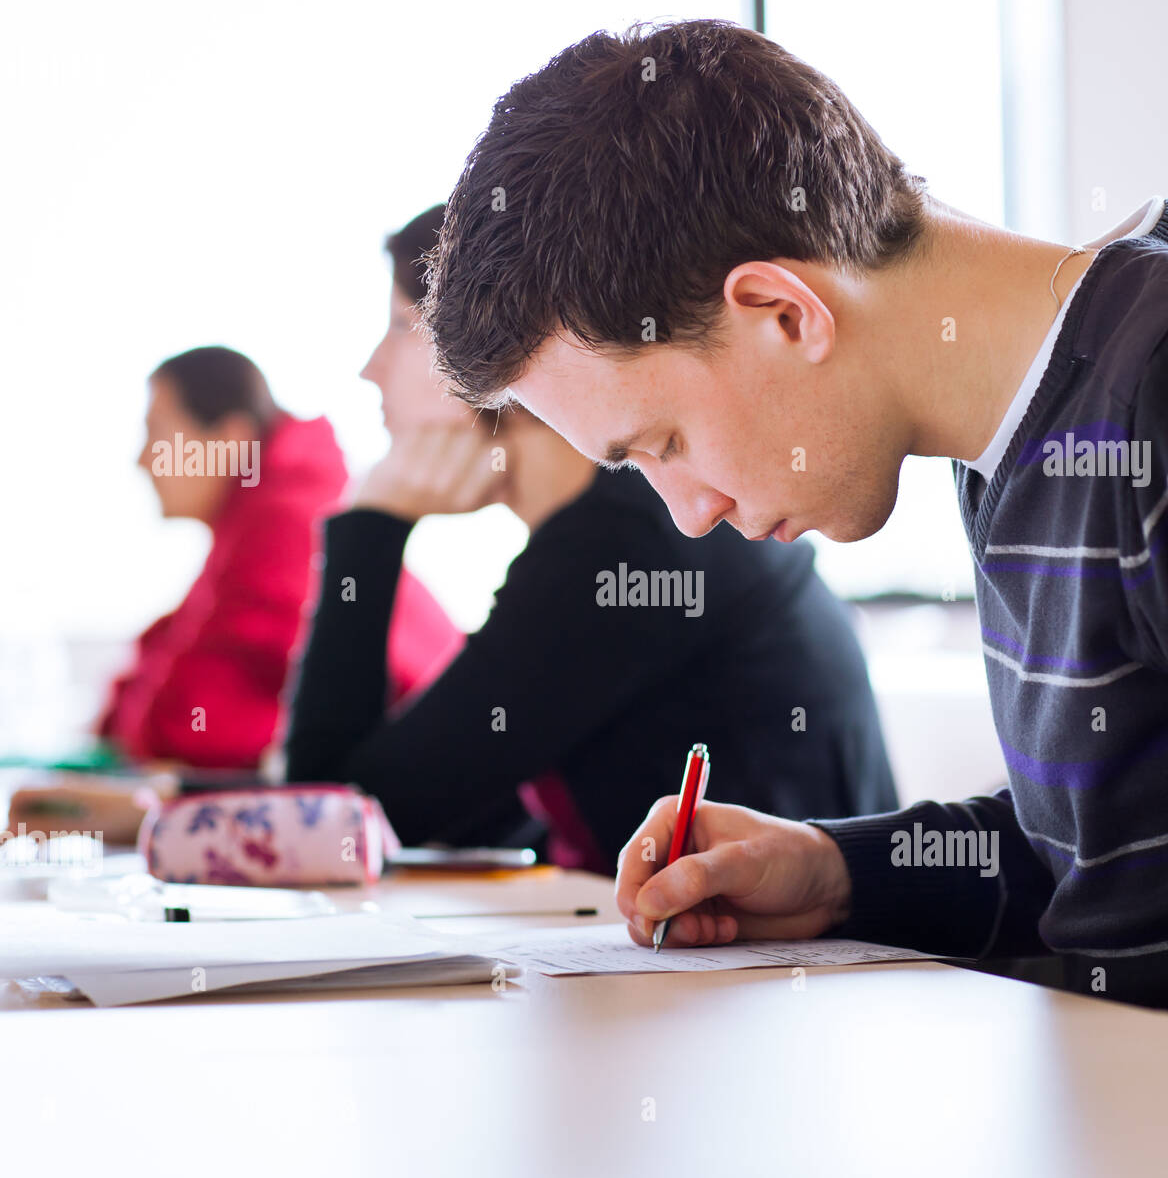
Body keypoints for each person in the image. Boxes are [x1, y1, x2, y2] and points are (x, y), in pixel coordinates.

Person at [423, 21, 1168, 1039]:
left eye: (661, 442)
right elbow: (1121, 861)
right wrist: (831, 871)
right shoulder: (1021, 445)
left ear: (783, 313)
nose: (691, 512)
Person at [285, 204, 897, 871]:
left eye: (402, 326)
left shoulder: (624, 546)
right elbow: (452, 797)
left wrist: (370, 528)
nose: (370, 369)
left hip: (804, 967)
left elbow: (329, 820)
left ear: (491, 349)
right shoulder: (614, 525)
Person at [98, 345, 461, 769]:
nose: (142, 460)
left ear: (230, 439)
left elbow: (181, 729)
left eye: (157, 432)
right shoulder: (257, 521)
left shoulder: (283, 526)